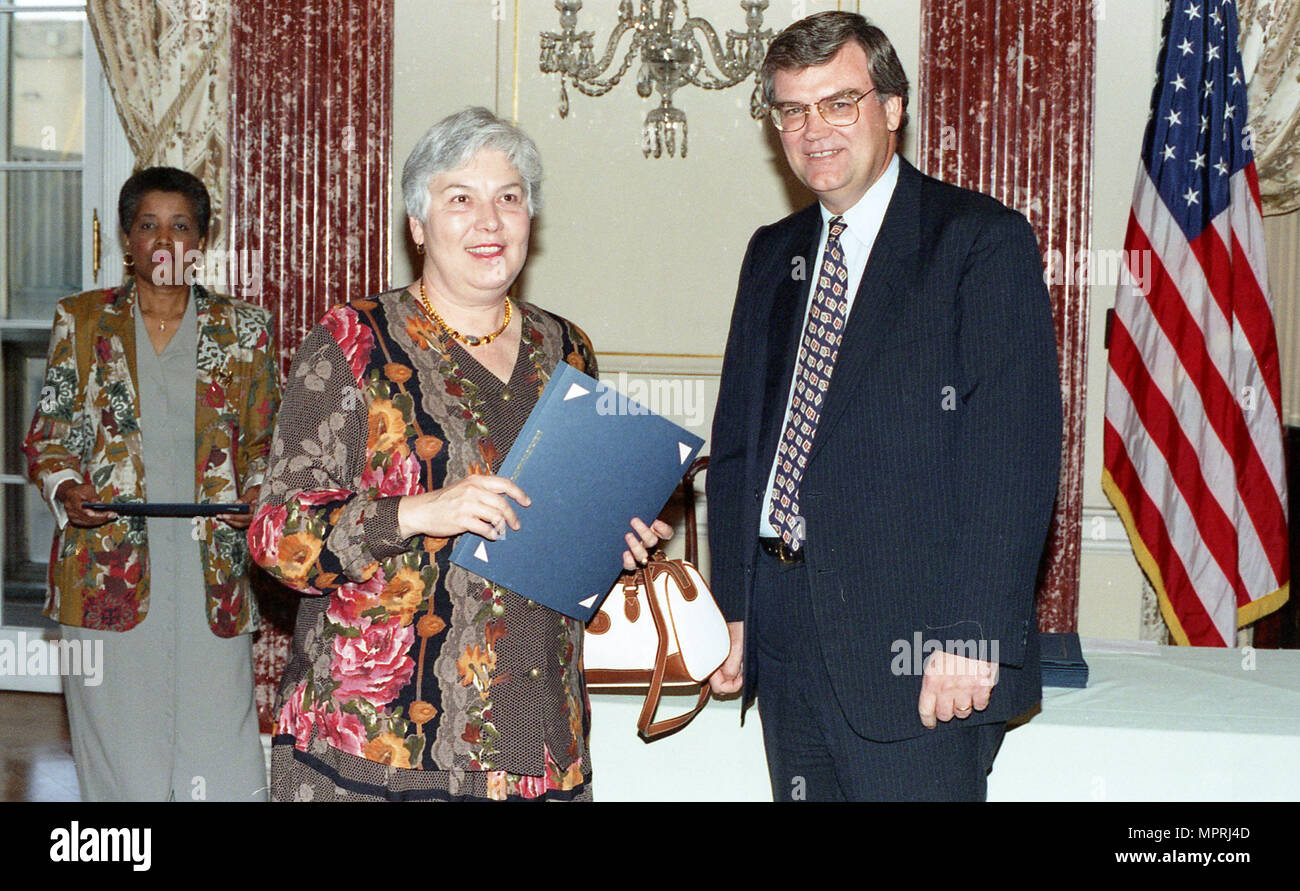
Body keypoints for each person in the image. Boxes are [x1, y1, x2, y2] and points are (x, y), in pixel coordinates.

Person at [249, 107, 671, 802]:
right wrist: (419, 510)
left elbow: (564, 531)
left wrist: (616, 540)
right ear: (418, 225)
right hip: (381, 747)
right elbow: (275, 537)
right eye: (460, 199)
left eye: (509, 197)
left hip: (537, 740)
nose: (490, 221)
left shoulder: (565, 348)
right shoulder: (353, 342)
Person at [706, 12, 1062, 801]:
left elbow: (1016, 455)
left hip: (920, 646)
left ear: (892, 108)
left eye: (839, 102)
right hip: (786, 638)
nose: (814, 130)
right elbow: (737, 449)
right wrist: (730, 605)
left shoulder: (978, 241)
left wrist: (975, 634)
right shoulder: (774, 251)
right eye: (792, 110)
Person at [23, 166, 279, 801]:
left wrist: (257, 495)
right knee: (120, 755)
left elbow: (265, 443)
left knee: (221, 754)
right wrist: (65, 488)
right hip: (104, 568)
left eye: (181, 226)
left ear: (201, 242)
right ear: (127, 239)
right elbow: (47, 436)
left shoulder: (245, 330)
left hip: (212, 569)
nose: (165, 241)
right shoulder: (80, 321)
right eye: (148, 226)